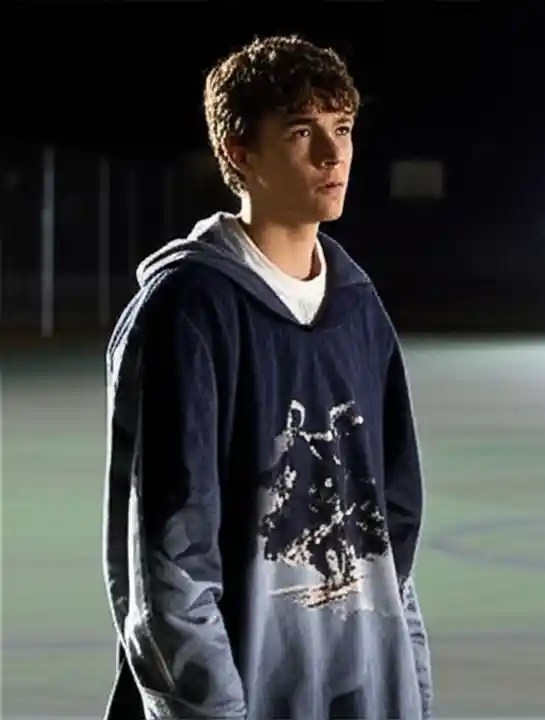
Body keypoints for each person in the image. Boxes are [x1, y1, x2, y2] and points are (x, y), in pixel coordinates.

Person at [103, 35, 432, 719]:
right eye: (301, 133)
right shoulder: (189, 311)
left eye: (342, 129)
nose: (332, 153)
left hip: (360, 689)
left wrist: (410, 692)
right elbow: (171, 568)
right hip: (244, 697)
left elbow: (388, 546)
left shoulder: (359, 309)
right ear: (239, 152)